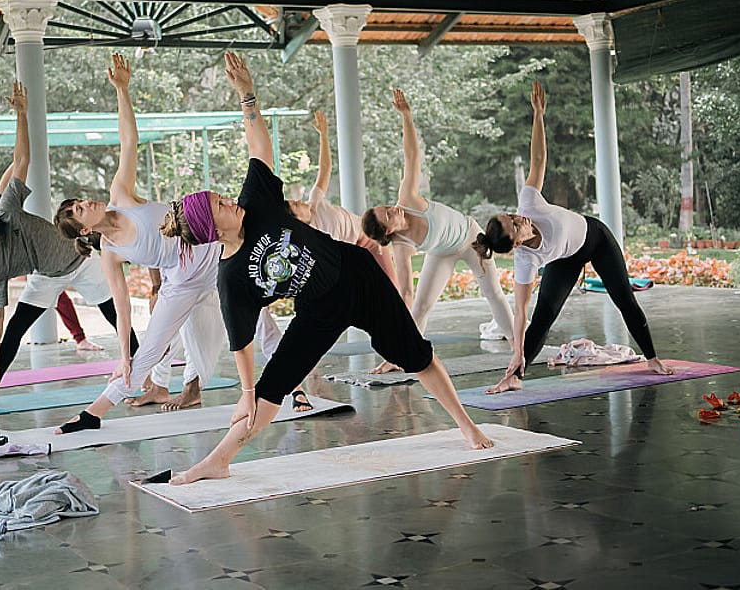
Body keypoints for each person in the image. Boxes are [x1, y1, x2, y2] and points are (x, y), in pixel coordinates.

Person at [161, 52, 492, 486]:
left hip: (359, 275)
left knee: (416, 353)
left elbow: (259, 147)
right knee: (270, 388)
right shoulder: (232, 276)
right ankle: (219, 460)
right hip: (318, 308)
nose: (227, 197)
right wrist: (246, 394)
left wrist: (247, 96)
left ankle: (467, 426)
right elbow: (241, 343)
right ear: (211, 228)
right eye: (218, 204)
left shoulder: (256, 201)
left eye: (221, 195)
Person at [53, 54, 308, 434]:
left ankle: (297, 388)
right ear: (84, 231)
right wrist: (123, 354)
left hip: (216, 251)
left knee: (262, 325)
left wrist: (122, 90)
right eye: (77, 211)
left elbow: (129, 141)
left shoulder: (119, 196)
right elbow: (122, 312)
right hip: (182, 281)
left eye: (77, 201)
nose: (84, 203)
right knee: (148, 350)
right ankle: (94, 413)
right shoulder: (111, 253)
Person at [0, 81, 129, 412]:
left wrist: (22, 113)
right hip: (45, 276)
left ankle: (142, 378)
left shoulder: (6, 210)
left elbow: (22, 157)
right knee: (14, 330)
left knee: (117, 317)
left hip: (81, 260)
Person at [474, 81, 672, 394]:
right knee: (543, 315)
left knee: (623, 297)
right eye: (514, 223)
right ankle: (514, 378)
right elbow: (522, 312)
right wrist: (516, 353)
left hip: (596, 239)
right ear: (515, 244)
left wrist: (538, 115)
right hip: (564, 259)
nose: (518, 216)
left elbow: (538, 160)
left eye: (511, 215)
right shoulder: (527, 260)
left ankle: (652, 358)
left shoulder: (529, 202)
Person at [360, 89, 514, 372]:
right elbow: (406, 292)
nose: (393, 209)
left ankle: (518, 347)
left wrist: (406, 116)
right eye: (388, 215)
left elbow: (412, 157)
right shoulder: (401, 247)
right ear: (388, 232)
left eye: (387, 207)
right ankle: (403, 355)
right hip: (441, 253)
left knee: (492, 292)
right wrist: (394, 342)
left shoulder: (407, 199)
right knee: (420, 307)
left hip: (470, 238)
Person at [0, 165, 102, 364]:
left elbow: (4, 183)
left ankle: (79, 337)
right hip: (0, 265)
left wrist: (17, 162)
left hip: (31, 257)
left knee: (56, 290)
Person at [285, 110, 397, 284]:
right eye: (297, 206)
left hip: (370, 238)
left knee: (394, 290)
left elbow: (325, 168)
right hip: (355, 254)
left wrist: (323, 135)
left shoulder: (315, 201)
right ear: (298, 221)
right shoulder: (314, 239)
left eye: (296, 201)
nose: (301, 201)